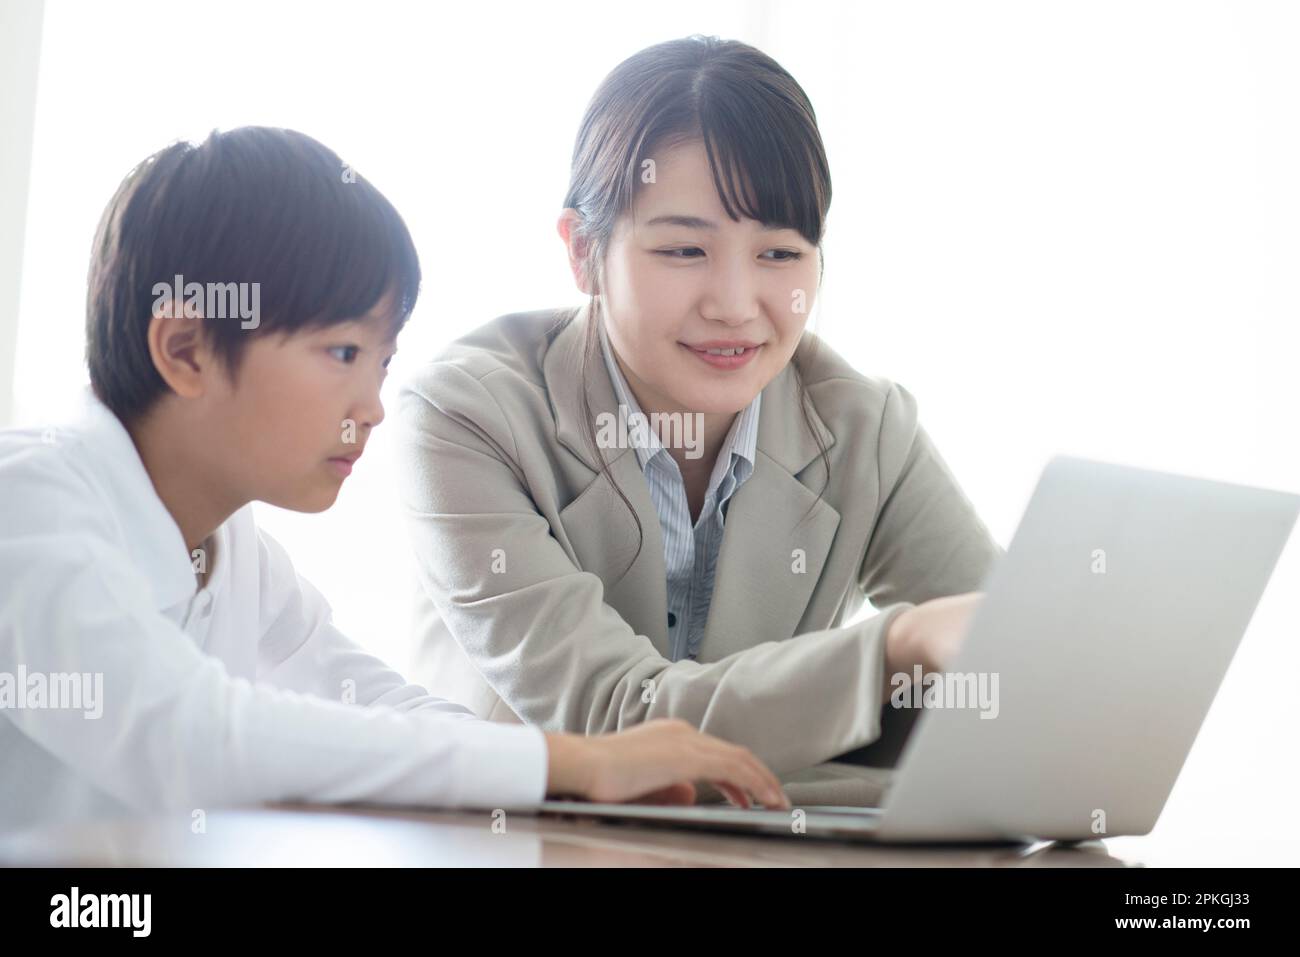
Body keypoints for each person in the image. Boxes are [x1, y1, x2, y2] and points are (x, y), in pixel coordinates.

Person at [0, 126, 789, 835]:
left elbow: (372, 701)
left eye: (383, 363)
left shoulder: (229, 548)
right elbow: (197, 738)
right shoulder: (30, 504)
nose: (373, 407)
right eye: (344, 353)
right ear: (185, 349)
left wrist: (575, 778)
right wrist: (560, 765)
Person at [396, 36, 1002, 800]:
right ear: (583, 251)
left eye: (779, 254)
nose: (735, 304)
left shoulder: (865, 425)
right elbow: (617, 716)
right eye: (684, 250)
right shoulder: (466, 416)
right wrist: (895, 650)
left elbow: (1012, 678)